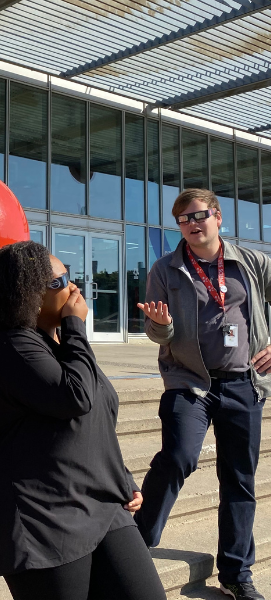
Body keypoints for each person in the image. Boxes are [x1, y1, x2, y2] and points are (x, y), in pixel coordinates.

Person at [0, 241, 166, 600]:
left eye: (70, 278)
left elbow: (98, 415)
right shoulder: (13, 347)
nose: (74, 288)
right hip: (44, 512)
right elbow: (73, 398)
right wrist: (76, 326)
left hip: (101, 500)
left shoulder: (62, 347)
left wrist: (122, 478)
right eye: (59, 282)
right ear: (27, 294)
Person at [135, 189, 271, 600]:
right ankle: (138, 542)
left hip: (242, 382)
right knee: (179, 456)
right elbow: (159, 331)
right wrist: (159, 326)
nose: (192, 225)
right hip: (188, 379)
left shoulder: (252, 262)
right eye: (183, 219)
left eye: (199, 216)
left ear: (218, 217)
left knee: (239, 479)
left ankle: (235, 573)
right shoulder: (166, 267)